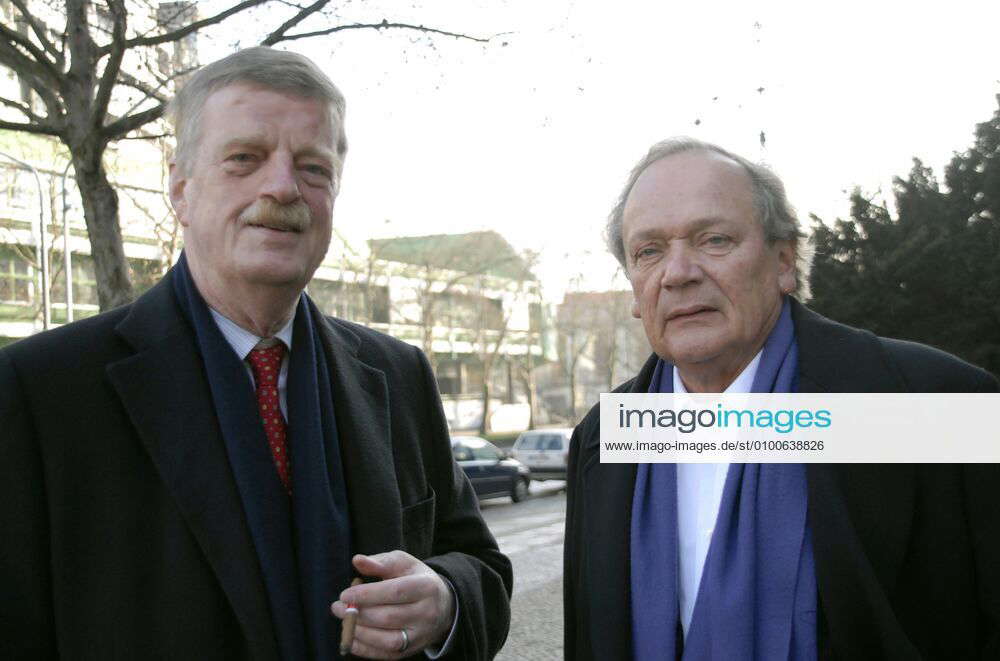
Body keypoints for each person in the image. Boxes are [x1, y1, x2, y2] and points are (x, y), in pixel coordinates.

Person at [0, 47, 511, 660]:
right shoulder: (39, 391)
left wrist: (445, 599)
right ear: (181, 190)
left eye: (313, 167)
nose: (282, 186)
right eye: (244, 159)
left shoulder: (399, 374)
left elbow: (482, 567)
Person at [563, 137, 999, 660]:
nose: (677, 274)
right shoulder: (608, 435)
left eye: (714, 240)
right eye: (648, 252)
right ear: (634, 289)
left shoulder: (935, 405)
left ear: (785, 262)